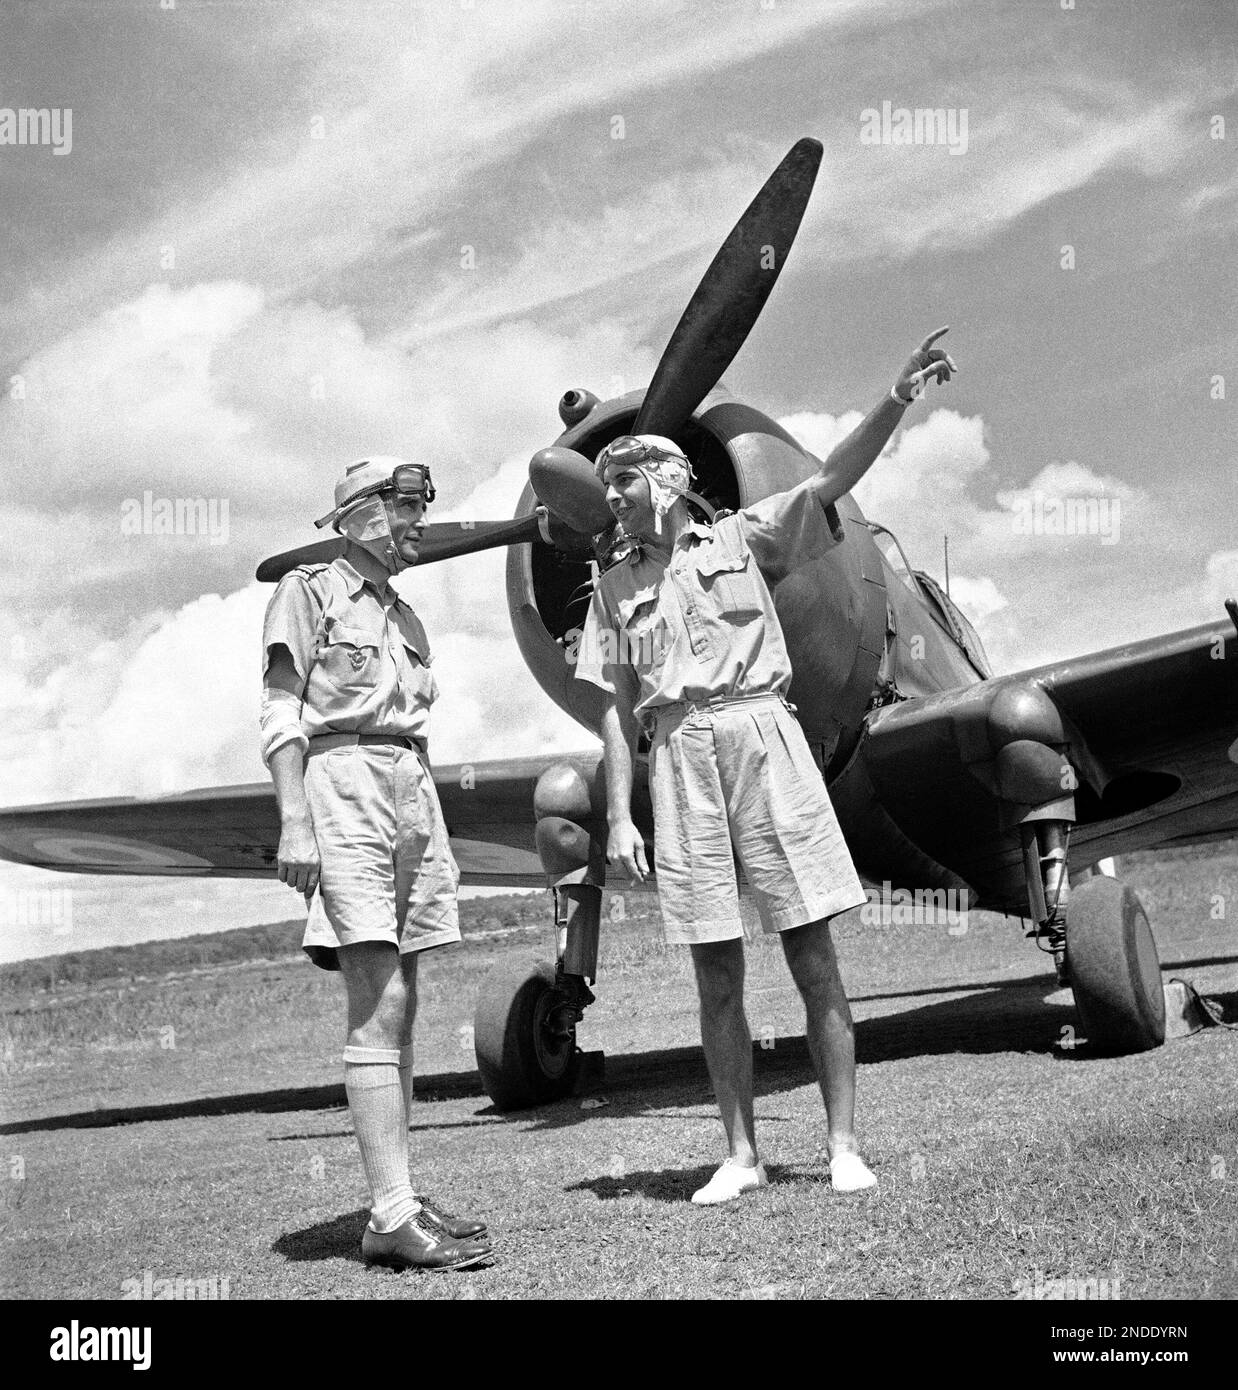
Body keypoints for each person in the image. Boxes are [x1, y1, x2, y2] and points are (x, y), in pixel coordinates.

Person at [574, 329, 958, 1205]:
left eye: (624, 482)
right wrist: (622, 817)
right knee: (715, 971)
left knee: (812, 952)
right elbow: (609, 704)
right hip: (677, 756)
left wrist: (893, 398)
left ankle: (843, 1145)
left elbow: (830, 483)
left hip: (763, 738)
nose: (611, 498)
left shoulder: (745, 541)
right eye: (606, 487)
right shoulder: (613, 588)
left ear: (668, 483)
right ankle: (741, 1154)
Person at [259, 456, 492, 1270]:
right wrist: (295, 821)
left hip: (408, 781)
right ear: (364, 514)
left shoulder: (405, 613)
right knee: (378, 996)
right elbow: (281, 711)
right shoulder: (310, 590)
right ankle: (390, 1215)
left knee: (408, 994)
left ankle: (397, 1200)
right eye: (409, 509)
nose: (422, 524)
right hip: (343, 780)